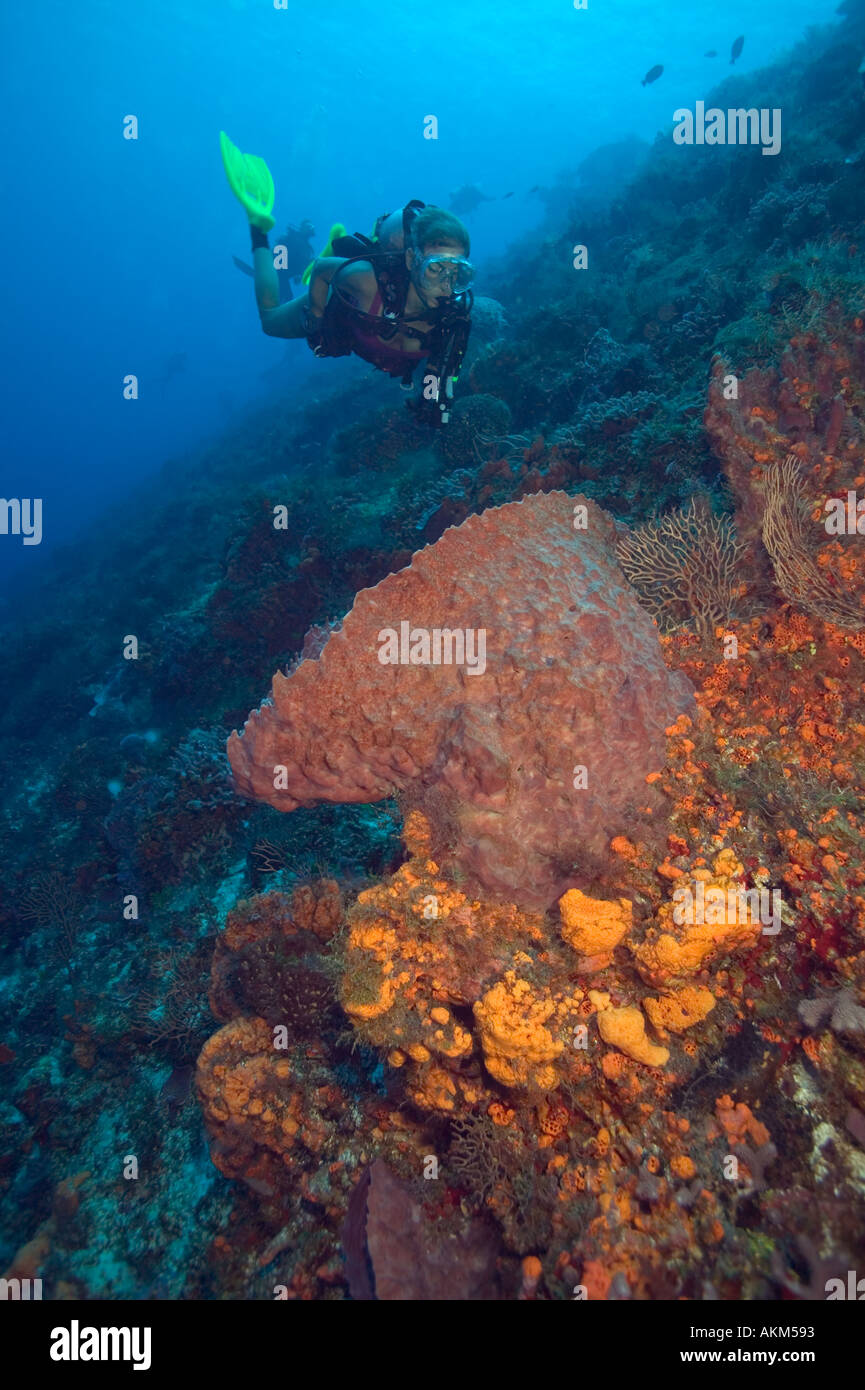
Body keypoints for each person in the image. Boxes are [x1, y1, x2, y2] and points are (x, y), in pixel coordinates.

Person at [220, 132, 474, 424]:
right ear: (410, 260)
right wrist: (316, 316)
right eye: (436, 268)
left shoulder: (453, 319)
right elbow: (324, 269)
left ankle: (329, 245)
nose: (447, 284)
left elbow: (441, 384)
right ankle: (258, 226)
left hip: (364, 325)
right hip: (336, 301)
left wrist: (435, 407)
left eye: (458, 272)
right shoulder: (367, 282)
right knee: (269, 320)